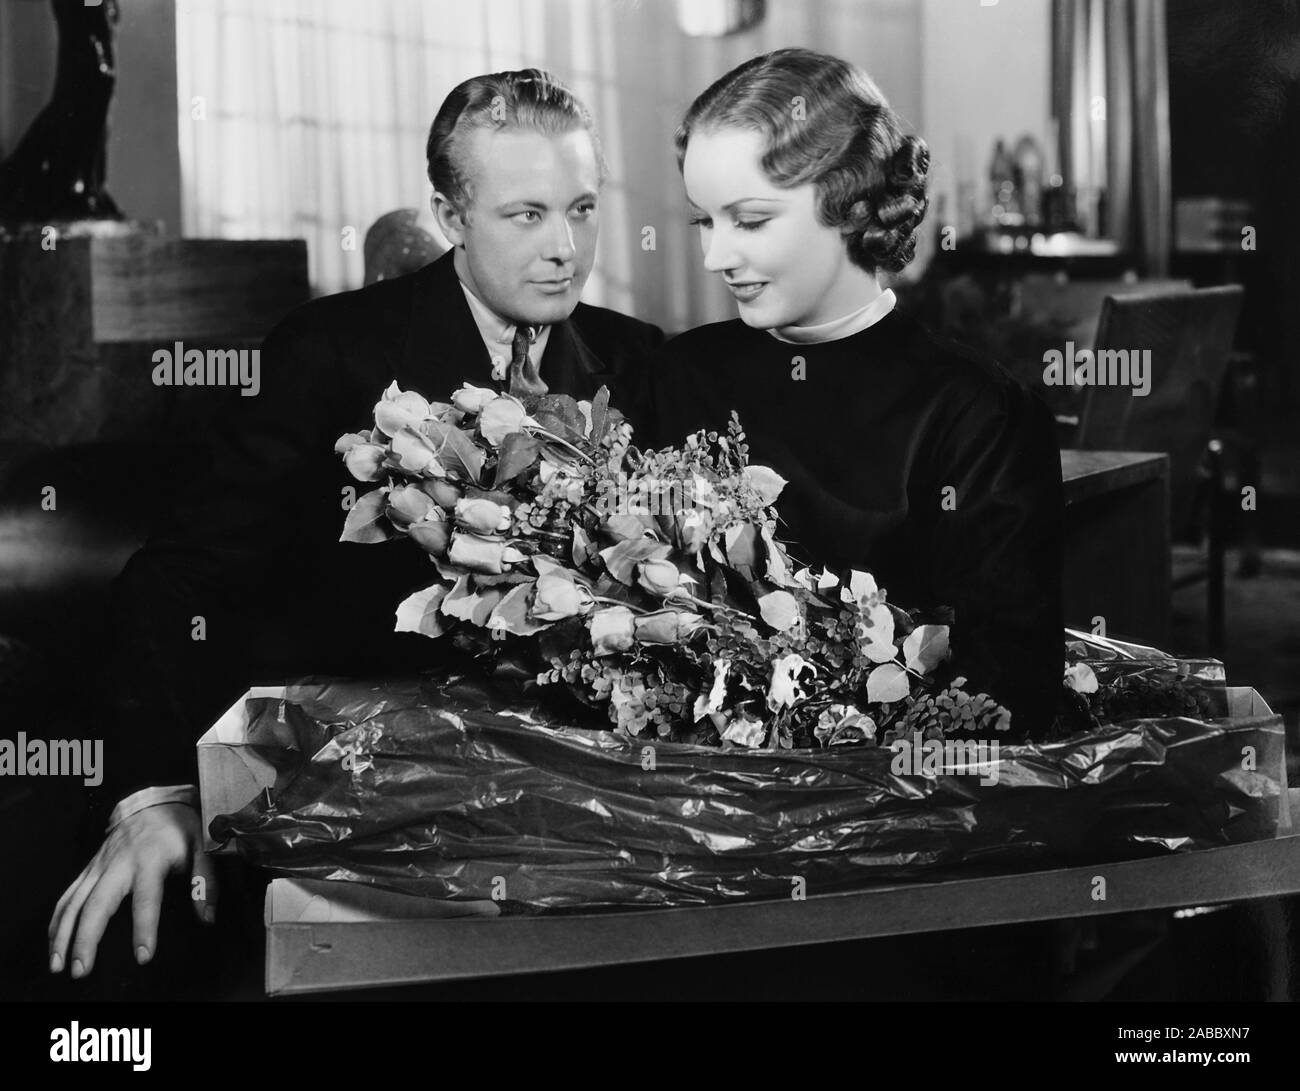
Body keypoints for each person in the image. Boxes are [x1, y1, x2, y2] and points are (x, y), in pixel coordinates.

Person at [47, 68, 664, 981]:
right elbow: (177, 581)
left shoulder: (641, 361)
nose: (564, 248)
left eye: (581, 208)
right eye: (525, 215)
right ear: (451, 219)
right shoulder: (328, 351)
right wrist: (153, 796)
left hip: (578, 823)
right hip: (369, 816)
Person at [642, 48, 1063, 738]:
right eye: (703, 222)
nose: (717, 257)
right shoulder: (671, 377)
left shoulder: (979, 417)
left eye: (748, 221)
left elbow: (1009, 697)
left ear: (850, 203)